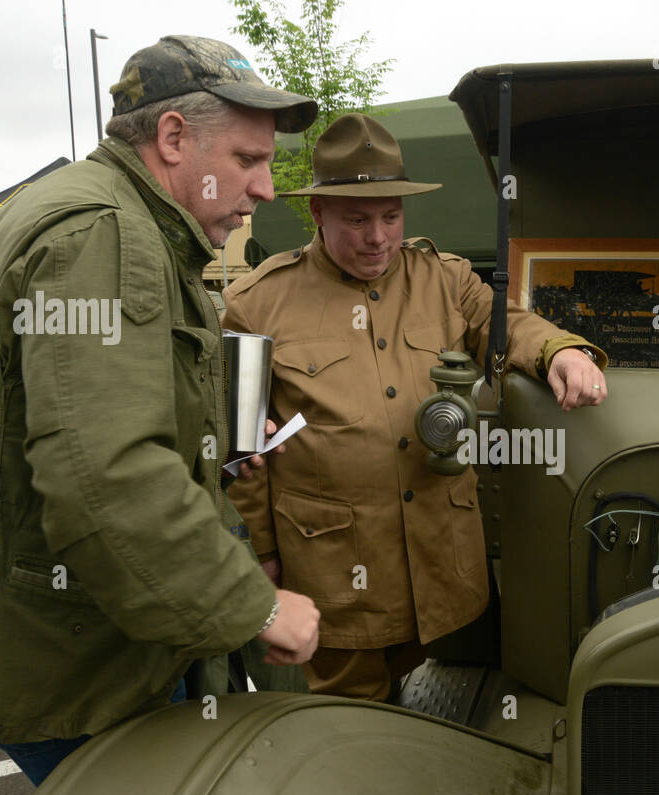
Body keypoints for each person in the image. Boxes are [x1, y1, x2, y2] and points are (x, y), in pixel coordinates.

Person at [0, 36, 321, 786]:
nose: (266, 190)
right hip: (82, 648)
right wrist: (252, 609)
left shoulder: (113, 219)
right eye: (249, 161)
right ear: (173, 137)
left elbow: (90, 428)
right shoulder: (103, 232)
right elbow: (104, 476)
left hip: (86, 629)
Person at [222, 113, 609, 702]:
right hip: (332, 575)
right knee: (350, 726)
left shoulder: (445, 279)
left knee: (447, 703)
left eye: (391, 217)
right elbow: (243, 450)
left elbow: (505, 324)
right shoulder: (258, 304)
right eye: (357, 219)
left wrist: (560, 351)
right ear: (318, 213)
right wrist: (264, 560)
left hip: (439, 564)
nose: (378, 237)